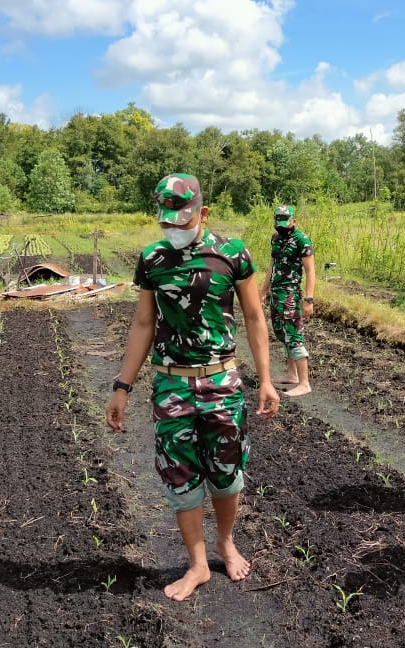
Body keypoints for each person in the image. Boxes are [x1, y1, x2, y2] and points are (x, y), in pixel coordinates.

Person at [105, 173, 280, 602]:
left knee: (226, 473)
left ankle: (225, 540)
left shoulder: (232, 254)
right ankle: (198, 564)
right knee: (179, 477)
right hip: (171, 385)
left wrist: (267, 380)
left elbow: (255, 317)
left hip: (222, 380)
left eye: (182, 221)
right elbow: (144, 323)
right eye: (167, 221)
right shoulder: (152, 259)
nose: (174, 229)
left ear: (202, 213)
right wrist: (122, 386)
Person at [258, 205, 317, 397]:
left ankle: (304, 383)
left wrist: (309, 299)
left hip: (290, 294)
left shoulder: (301, 240)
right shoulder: (275, 239)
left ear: (294, 221)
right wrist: (263, 291)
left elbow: (310, 271)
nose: (282, 226)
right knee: (281, 333)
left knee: (293, 335)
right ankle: (292, 376)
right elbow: (272, 266)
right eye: (279, 222)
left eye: (286, 222)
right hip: (276, 293)